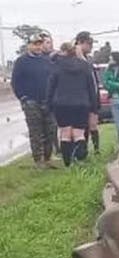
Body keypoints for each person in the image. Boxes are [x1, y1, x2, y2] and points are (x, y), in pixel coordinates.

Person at [47, 41, 98, 166]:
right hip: (81, 103)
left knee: (65, 133)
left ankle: (68, 163)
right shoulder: (84, 66)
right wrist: (94, 107)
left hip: (62, 104)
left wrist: (48, 105)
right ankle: (80, 159)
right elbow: (91, 87)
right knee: (79, 133)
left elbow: (51, 87)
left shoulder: (57, 66)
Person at [11, 31, 56, 168]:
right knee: (36, 131)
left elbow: (52, 79)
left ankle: (48, 158)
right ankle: (38, 160)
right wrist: (23, 98)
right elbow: (15, 82)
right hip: (31, 102)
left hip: (47, 101)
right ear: (29, 45)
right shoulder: (21, 61)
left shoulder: (46, 60)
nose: (38, 47)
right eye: (35, 44)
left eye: (39, 44)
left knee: (50, 130)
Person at [74, 32, 101, 154]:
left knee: (93, 125)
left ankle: (96, 150)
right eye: (88, 44)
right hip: (81, 98)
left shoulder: (88, 59)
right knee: (82, 127)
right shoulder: (74, 59)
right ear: (79, 43)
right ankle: (82, 152)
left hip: (93, 96)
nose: (91, 47)